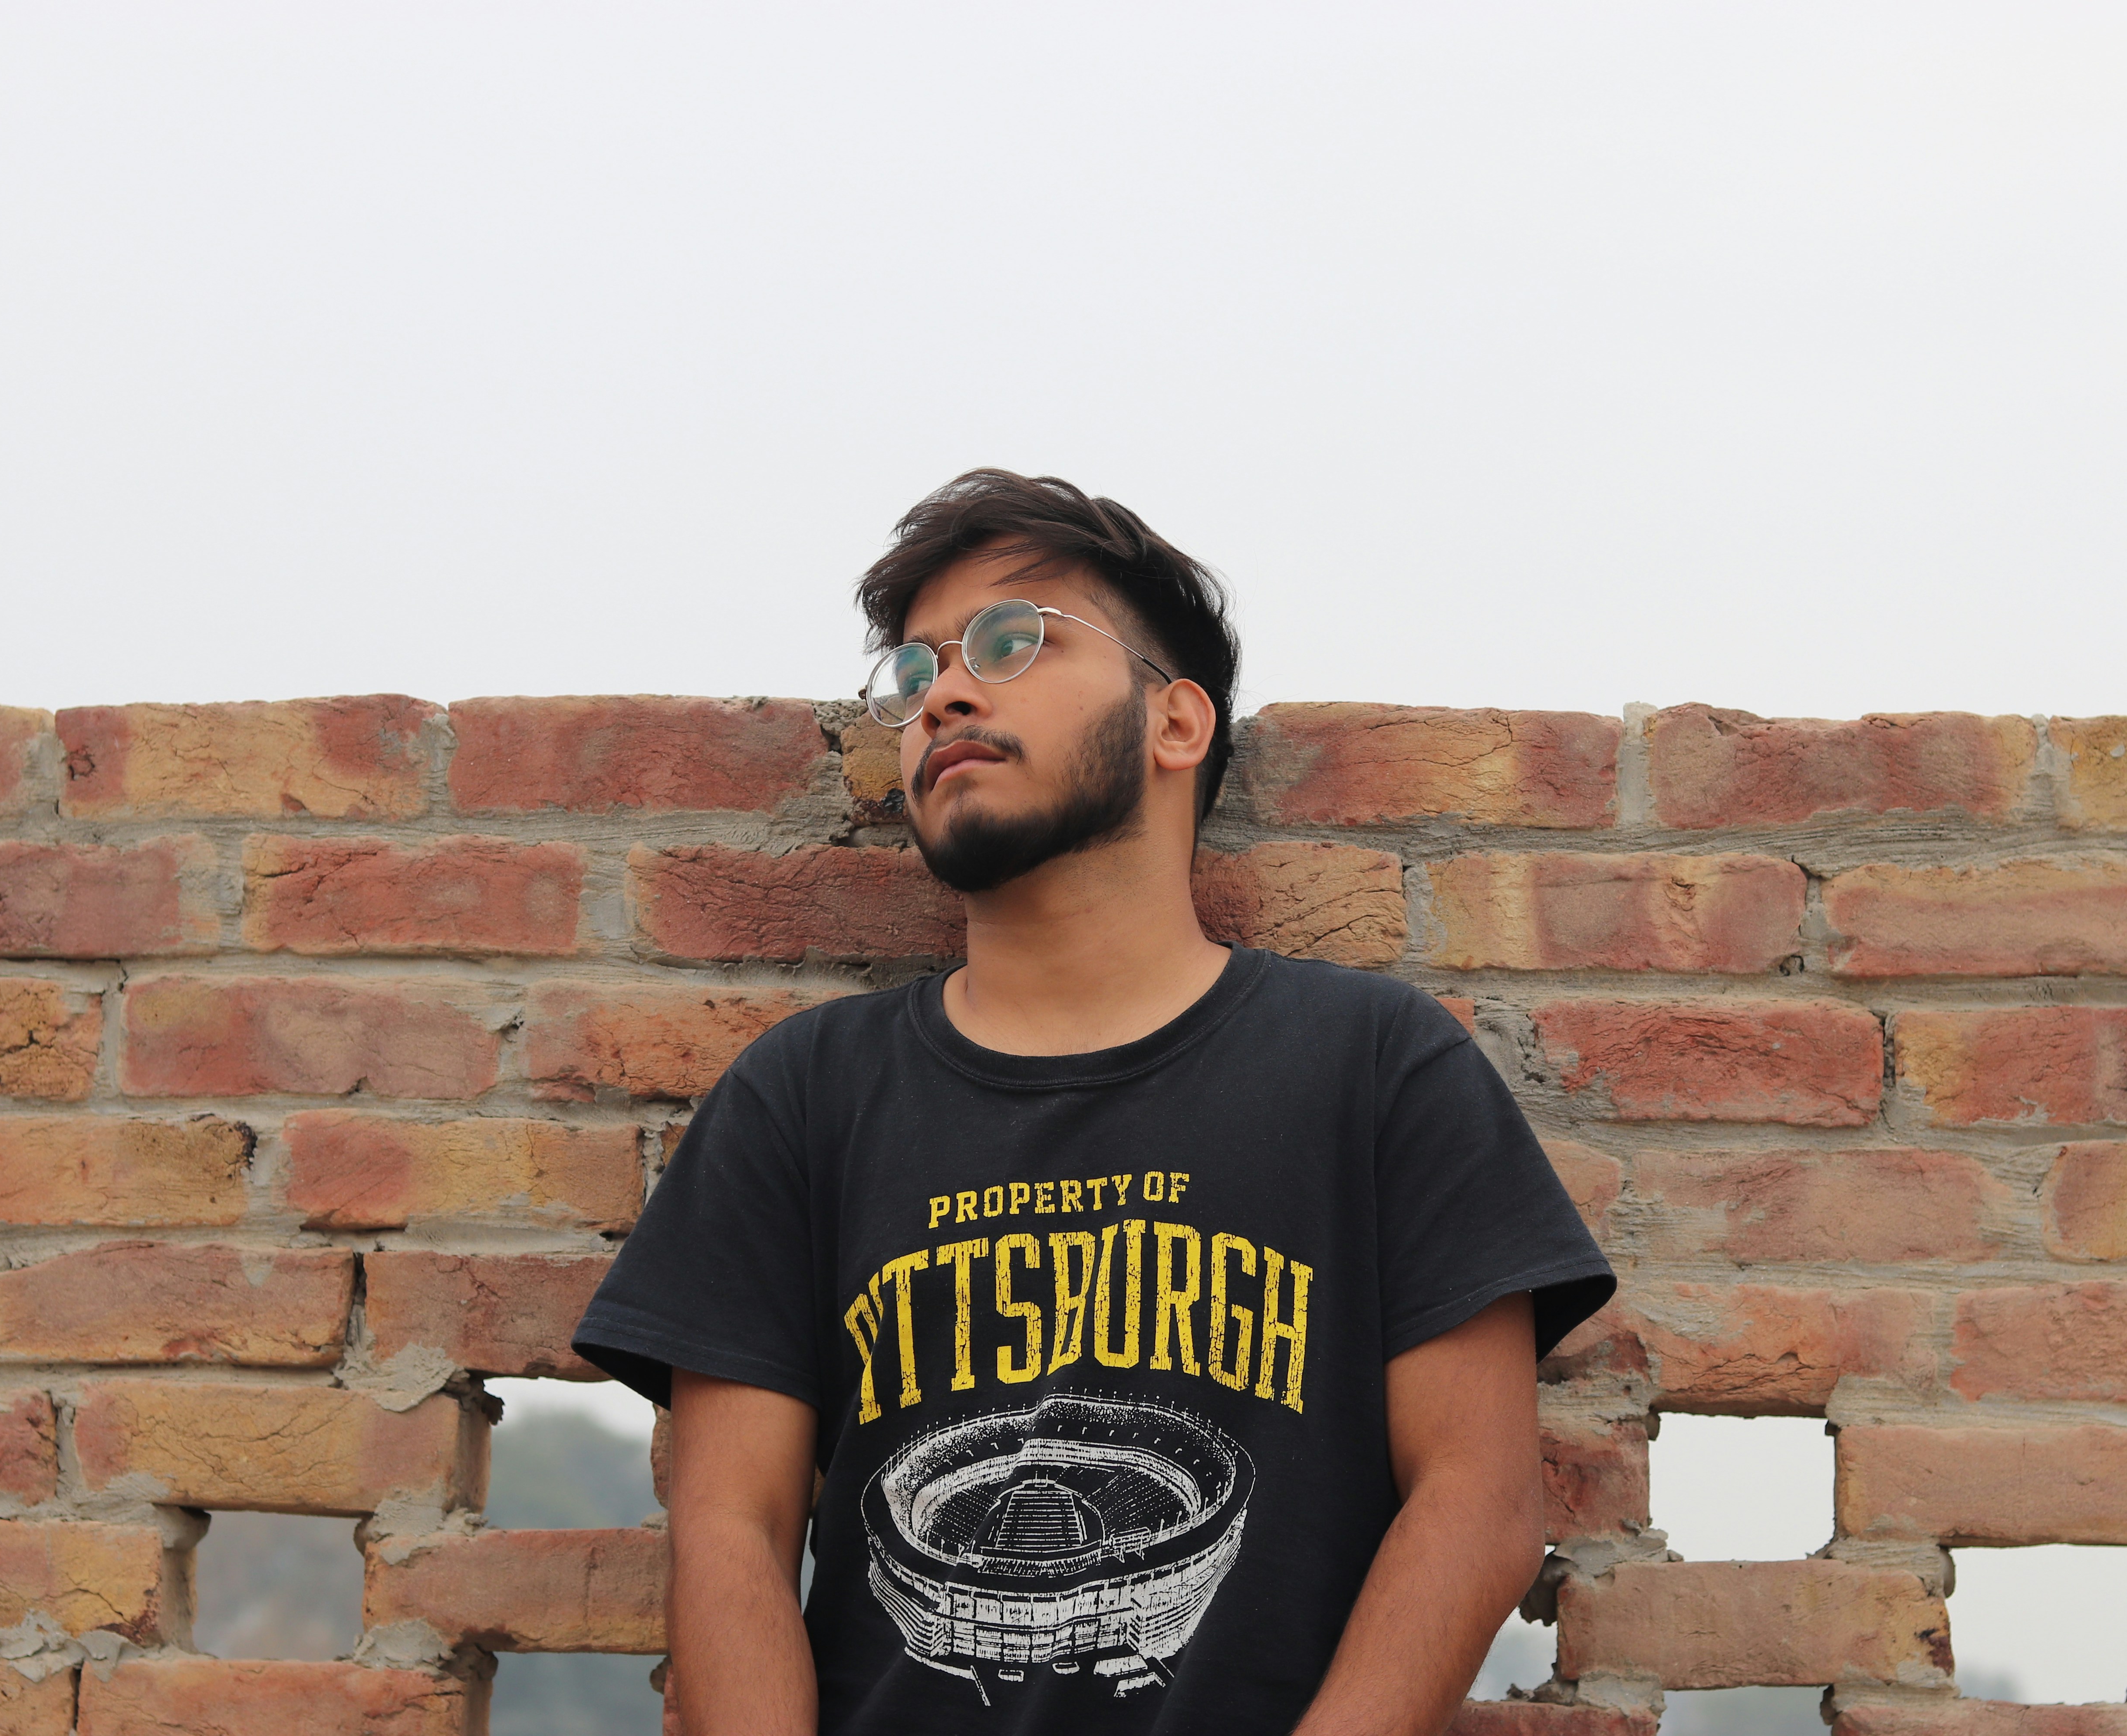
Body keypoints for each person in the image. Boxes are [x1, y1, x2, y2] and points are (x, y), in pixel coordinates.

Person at [573, 469, 1614, 1736]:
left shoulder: (1374, 1067)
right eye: (914, 674)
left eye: (1014, 641)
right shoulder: (804, 1097)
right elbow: (730, 1529)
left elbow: (1480, 1504)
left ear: (1178, 722)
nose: (945, 692)